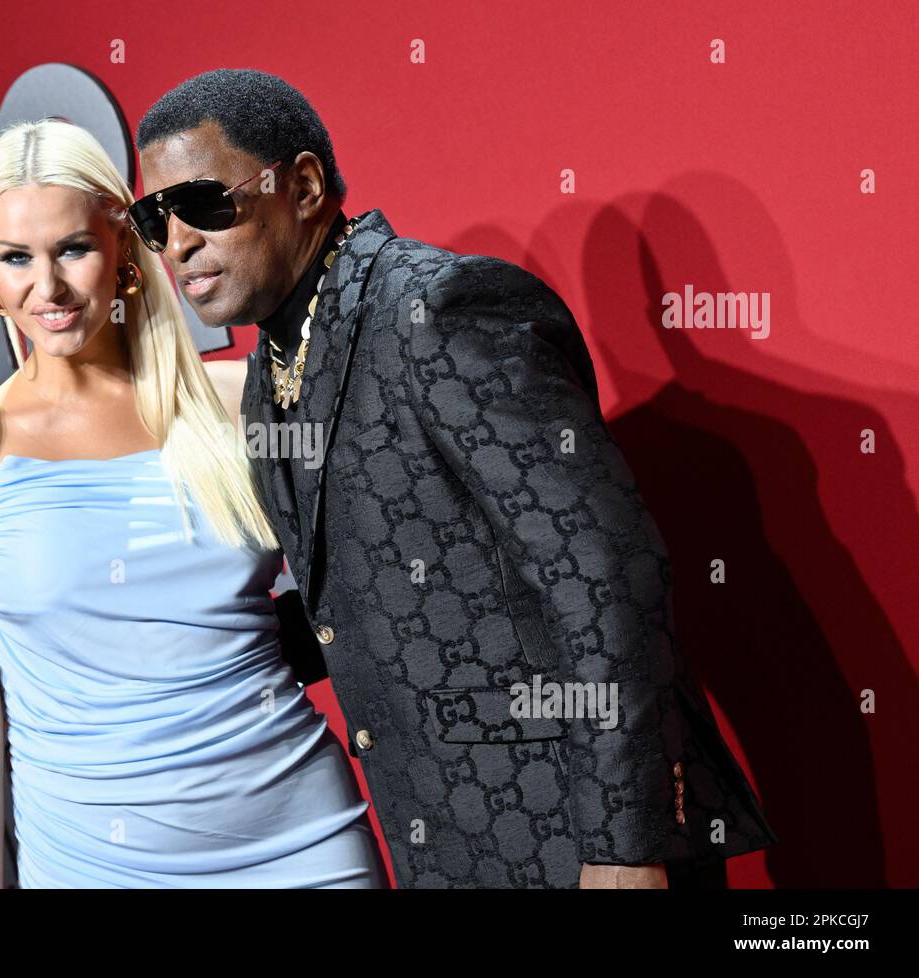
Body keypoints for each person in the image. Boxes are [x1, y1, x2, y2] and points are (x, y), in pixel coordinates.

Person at [133, 68, 778, 889]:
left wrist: (625, 848)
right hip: (444, 837)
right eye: (154, 218)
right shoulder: (271, 370)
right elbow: (369, 601)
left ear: (301, 185)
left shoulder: (438, 310)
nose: (178, 240)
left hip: (574, 838)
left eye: (203, 202)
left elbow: (606, 574)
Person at [0, 118, 385, 888]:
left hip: (304, 848)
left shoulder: (237, 404)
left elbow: (382, 587)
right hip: (92, 865)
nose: (47, 289)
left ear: (124, 244)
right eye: (15, 257)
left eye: (73, 249)